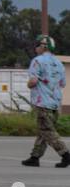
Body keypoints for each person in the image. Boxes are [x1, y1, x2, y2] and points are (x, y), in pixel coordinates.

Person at [21, 34, 67, 168]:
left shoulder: (37, 61)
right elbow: (62, 83)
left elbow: (33, 80)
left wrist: (29, 84)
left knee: (48, 131)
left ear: (43, 46)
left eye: (37, 45)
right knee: (43, 131)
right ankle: (35, 157)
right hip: (55, 103)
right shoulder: (59, 63)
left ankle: (66, 155)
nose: (35, 48)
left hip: (43, 102)